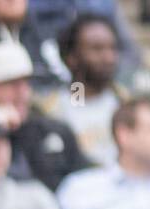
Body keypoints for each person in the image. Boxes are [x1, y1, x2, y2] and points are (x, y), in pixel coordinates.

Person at [0, 39, 90, 191]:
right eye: (11, 84)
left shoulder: (53, 130)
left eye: (26, 82)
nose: (23, 93)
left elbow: (86, 182)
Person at [37, 12, 127, 166]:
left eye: (112, 48)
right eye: (97, 49)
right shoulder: (52, 110)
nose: (109, 58)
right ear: (71, 58)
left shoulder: (126, 102)